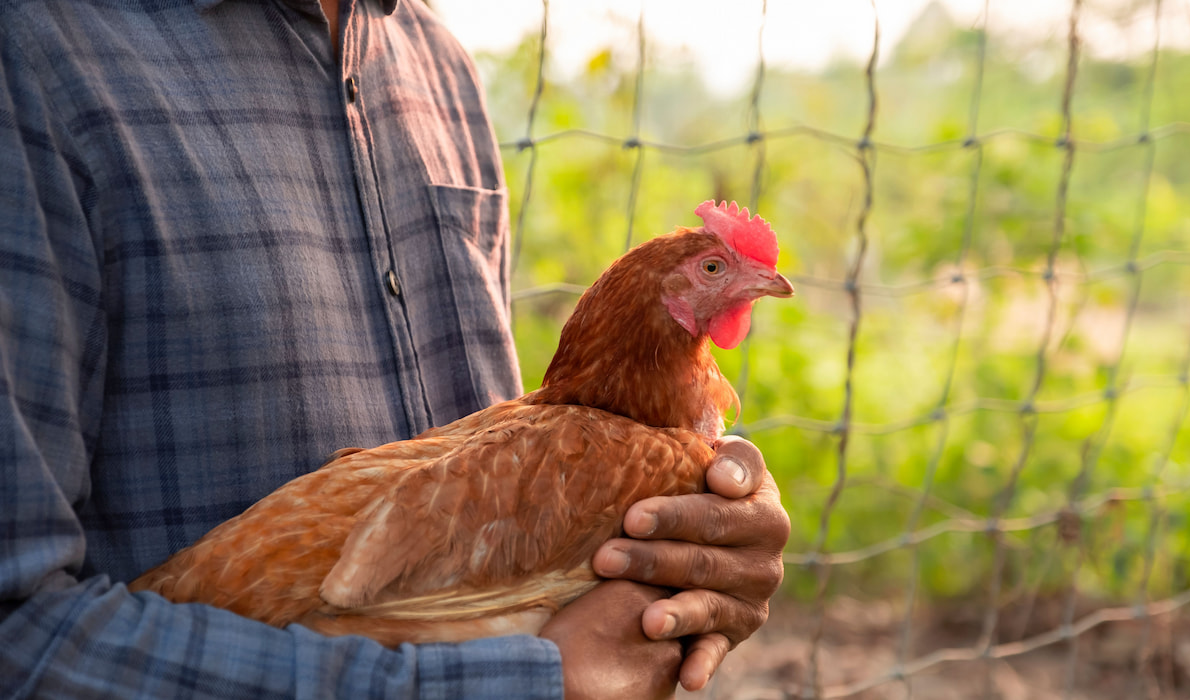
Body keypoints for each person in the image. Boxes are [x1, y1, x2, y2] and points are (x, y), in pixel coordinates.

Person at [0, 0, 789, 697]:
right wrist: (518, 685)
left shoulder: (435, 61)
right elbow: (17, 637)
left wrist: (693, 564)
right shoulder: (35, 51)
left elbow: (503, 510)